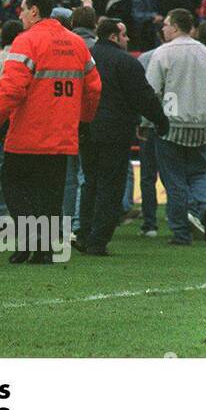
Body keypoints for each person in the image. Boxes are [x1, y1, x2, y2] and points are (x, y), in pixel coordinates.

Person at [0, 0, 101, 263]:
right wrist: (83, 121)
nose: (21, 15)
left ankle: (27, 242)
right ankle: (44, 249)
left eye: (22, 10)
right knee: (50, 196)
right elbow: (94, 89)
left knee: (14, 189)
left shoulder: (26, 41)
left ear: (33, 10)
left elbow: (11, 89)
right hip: (61, 136)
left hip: (27, 134)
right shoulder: (76, 44)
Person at [77, 17, 167, 255]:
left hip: (85, 128)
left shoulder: (84, 57)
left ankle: (84, 233)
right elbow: (144, 97)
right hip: (115, 131)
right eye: (124, 35)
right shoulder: (126, 62)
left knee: (90, 182)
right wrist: (160, 120)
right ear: (114, 37)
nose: (127, 39)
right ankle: (98, 240)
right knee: (110, 185)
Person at [144, 8, 206, 248]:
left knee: (175, 180)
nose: (163, 29)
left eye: (166, 25)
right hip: (200, 125)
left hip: (170, 125)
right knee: (200, 172)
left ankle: (181, 232)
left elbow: (152, 92)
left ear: (175, 26)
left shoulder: (162, 54)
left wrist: (146, 122)